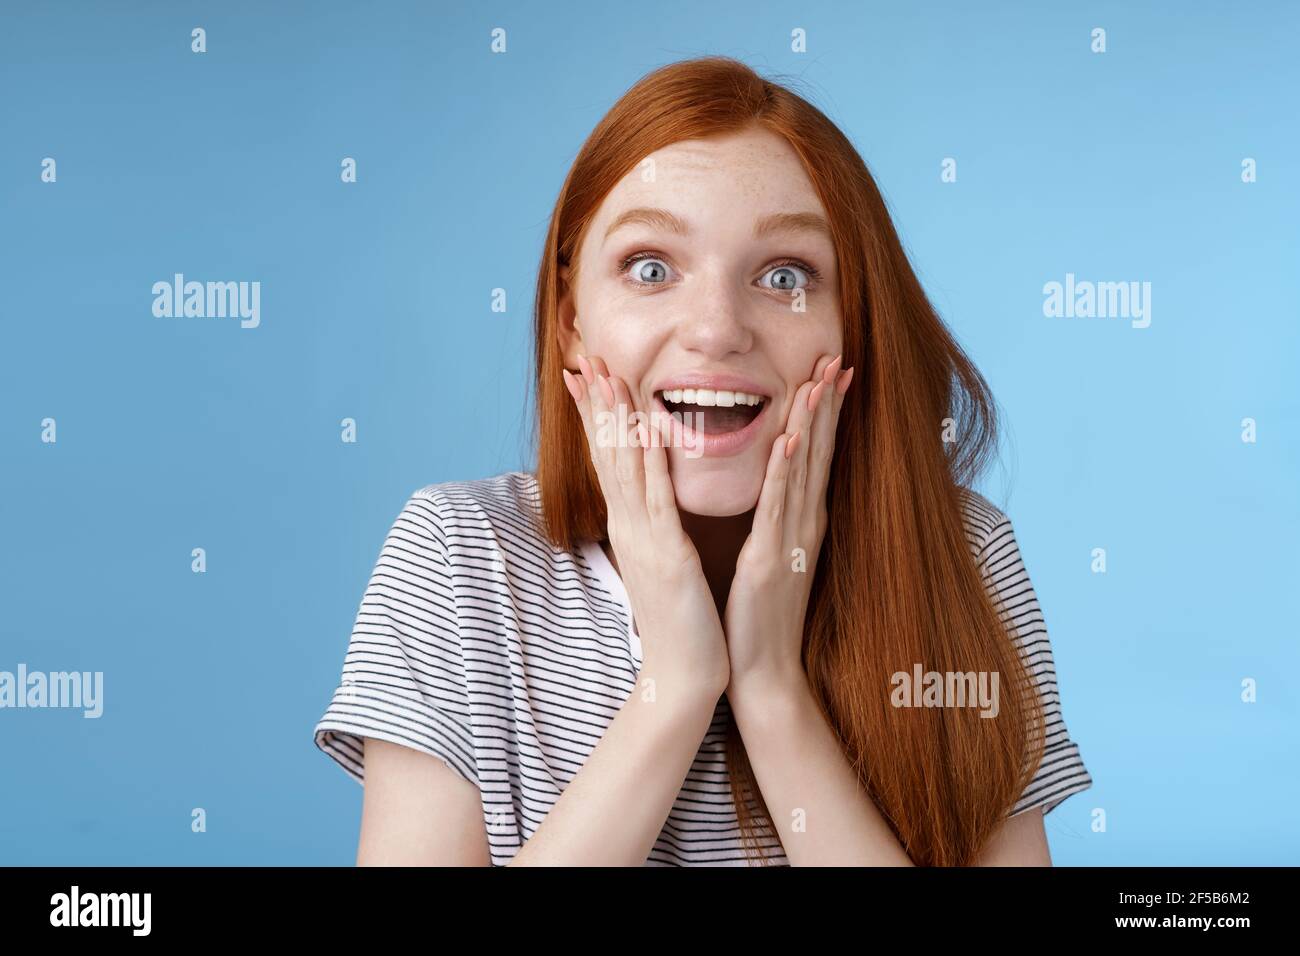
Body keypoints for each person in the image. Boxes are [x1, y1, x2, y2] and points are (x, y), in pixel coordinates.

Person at [314, 55, 1092, 866]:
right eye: (650, 269)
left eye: (785, 275)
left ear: (852, 326)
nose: (717, 329)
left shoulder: (961, 555)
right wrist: (678, 682)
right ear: (571, 319)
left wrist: (770, 686)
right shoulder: (457, 555)